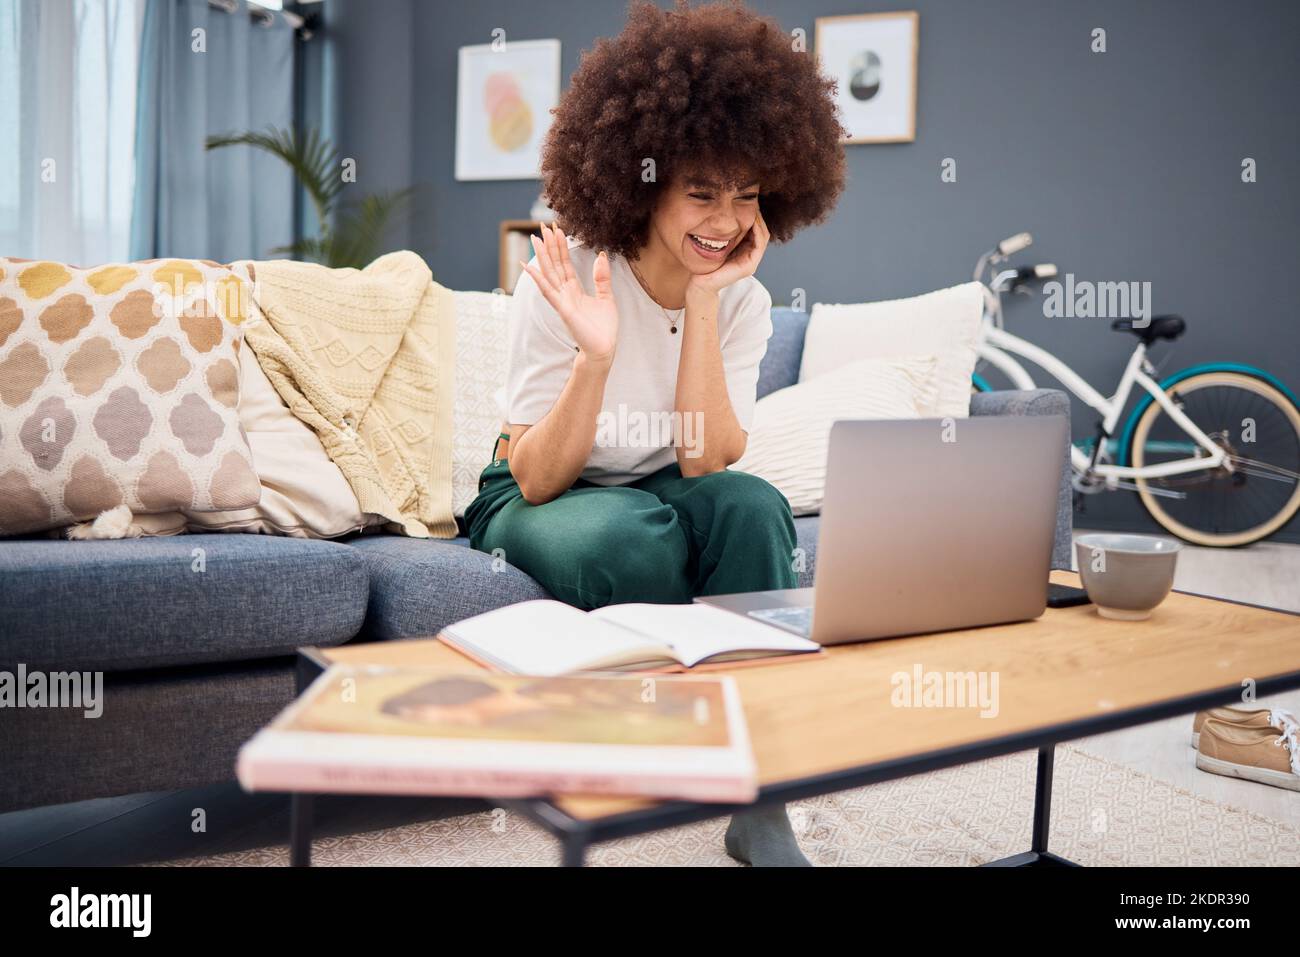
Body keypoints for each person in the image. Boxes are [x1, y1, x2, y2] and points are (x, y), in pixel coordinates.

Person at [466, 0, 845, 865]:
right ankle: (652, 752)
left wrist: (706, 301)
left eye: (746, 195)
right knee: (627, 530)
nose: (724, 220)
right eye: (701, 192)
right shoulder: (566, 280)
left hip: (660, 485)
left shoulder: (742, 297)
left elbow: (706, 460)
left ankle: (762, 799)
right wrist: (594, 360)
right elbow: (534, 478)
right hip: (539, 488)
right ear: (643, 183)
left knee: (752, 505)